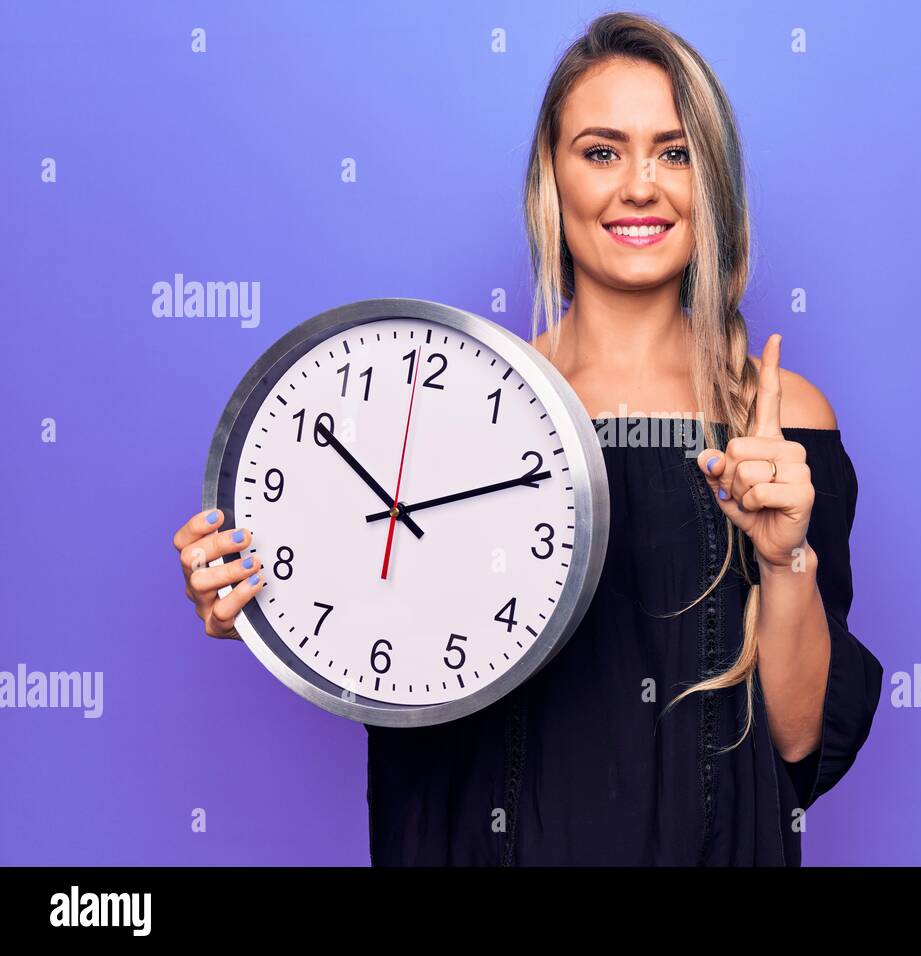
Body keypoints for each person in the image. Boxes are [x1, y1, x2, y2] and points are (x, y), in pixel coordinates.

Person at [172, 11, 883, 866]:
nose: (639, 187)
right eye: (601, 151)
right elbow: (380, 623)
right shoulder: (445, 402)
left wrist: (782, 559)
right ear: (552, 177)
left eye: (674, 151)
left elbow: (801, 740)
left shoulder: (784, 416)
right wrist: (256, 604)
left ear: (712, 182)